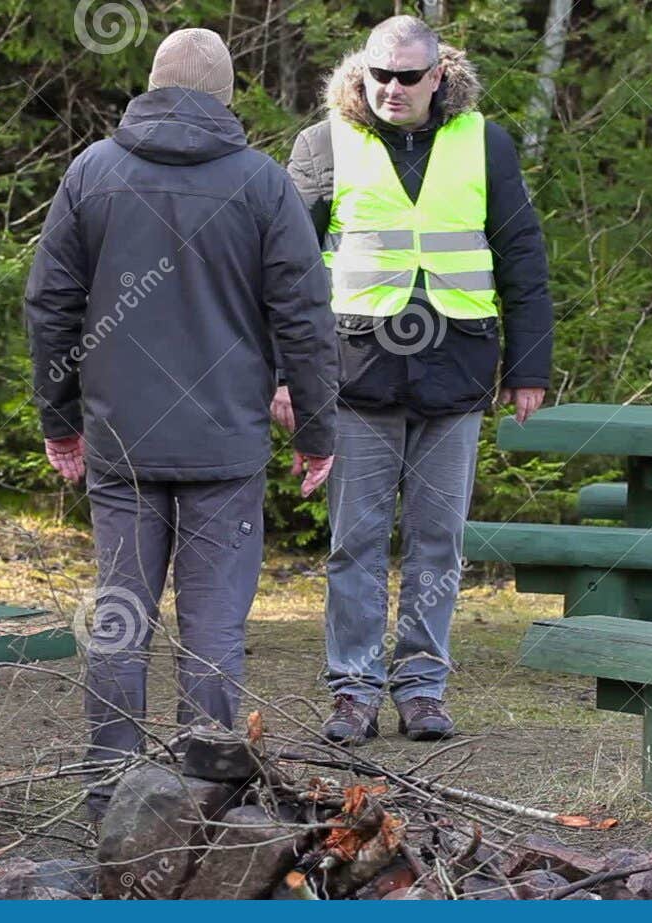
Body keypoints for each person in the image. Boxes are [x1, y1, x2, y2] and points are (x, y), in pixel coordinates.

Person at [25, 28, 338, 815]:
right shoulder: (263, 185)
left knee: (121, 618)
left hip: (120, 442)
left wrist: (60, 420)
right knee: (212, 631)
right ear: (226, 98)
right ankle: (204, 801)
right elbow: (305, 317)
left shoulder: (92, 173)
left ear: (152, 85)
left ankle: (110, 799)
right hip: (224, 447)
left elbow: (50, 307)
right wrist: (317, 432)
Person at [276, 15, 554, 744]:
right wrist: (283, 376)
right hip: (355, 378)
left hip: (456, 375)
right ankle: (354, 692)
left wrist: (529, 367)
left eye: (407, 77)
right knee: (355, 544)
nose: (391, 89)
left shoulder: (484, 142)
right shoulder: (321, 143)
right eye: (379, 75)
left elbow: (522, 255)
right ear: (362, 73)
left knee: (438, 544)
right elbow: (283, 274)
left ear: (439, 76)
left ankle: (424, 689)